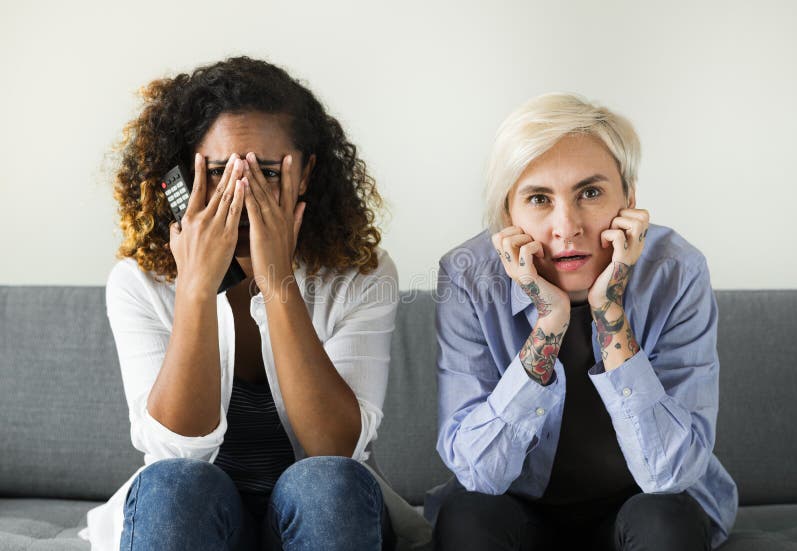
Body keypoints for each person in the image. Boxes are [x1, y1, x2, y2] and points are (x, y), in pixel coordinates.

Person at [78, 56, 401, 551]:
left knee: (327, 482)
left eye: (267, 172)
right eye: (219, 172)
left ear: (306, 174)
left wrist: (278, 282)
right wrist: (195, 287)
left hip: (316, 514)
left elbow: (335, 449)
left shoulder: (362, 274)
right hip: (199, 515)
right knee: (173, 483)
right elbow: (174, 449)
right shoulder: (138, 283)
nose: (243, 195)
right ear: (185, 179)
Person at [430, 93, 737, 550]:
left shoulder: (677, 271)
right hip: (517, 508)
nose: (567, 226)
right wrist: (549, 322)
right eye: (539, 199)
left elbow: (669, 473)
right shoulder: (469, 277)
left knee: (664, 522)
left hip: (643, 503)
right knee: (467, 518)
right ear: (507, 215)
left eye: (590, 193)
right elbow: (479, 473)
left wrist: (610, 309)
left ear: (629, 198)